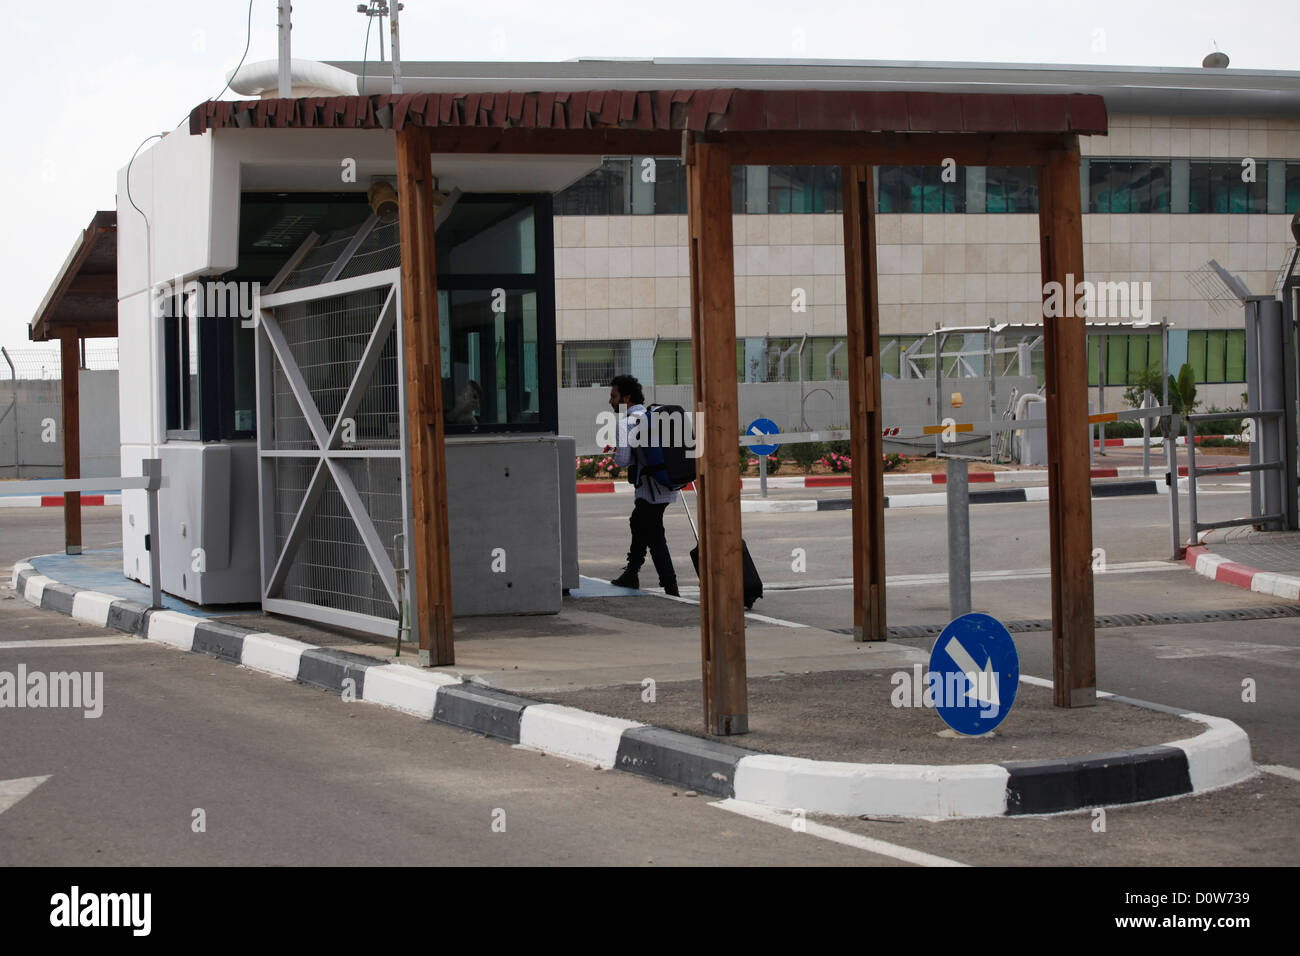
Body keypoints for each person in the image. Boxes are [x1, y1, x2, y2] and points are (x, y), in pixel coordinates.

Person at [608, 374, 679, 596]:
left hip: (649, 489)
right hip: (666, 485)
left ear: (626, 398)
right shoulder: (653, 416)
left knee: (655, 535)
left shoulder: (627, 423)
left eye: (614, 396)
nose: (610, 401)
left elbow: (623, 460)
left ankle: (671, 587)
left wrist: (615, 452)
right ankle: (631, 573)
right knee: (638, 522)